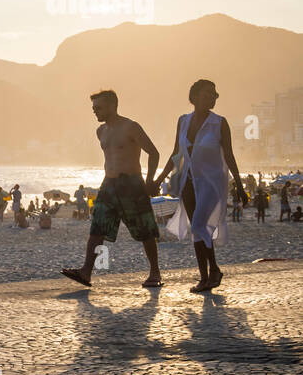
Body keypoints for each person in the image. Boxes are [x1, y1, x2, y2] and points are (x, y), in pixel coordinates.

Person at [151, 79, 249, 293]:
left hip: (211, 183)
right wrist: (159, 180)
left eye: (214, 94)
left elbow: (230, 156)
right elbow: (177, 154)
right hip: (188, 180)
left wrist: (240, 187)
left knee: (197, 225)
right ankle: (207, 275)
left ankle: (212, 271)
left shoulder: (219, 123)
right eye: (208, 93)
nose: (214, 97)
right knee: (199, 228)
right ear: (194, 96)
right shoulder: (183, 121)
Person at [61, 90, 162, 289]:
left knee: (145, 230)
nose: (95, 112)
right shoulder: (101, 131)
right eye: (93, 108)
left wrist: (150, 181)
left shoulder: (131, 127)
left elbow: (154, 153)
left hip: (132, 183)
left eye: (98, 108)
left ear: (112, 106)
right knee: (97, 228)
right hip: (109, 183)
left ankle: (155, 272)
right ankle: (86, 272)